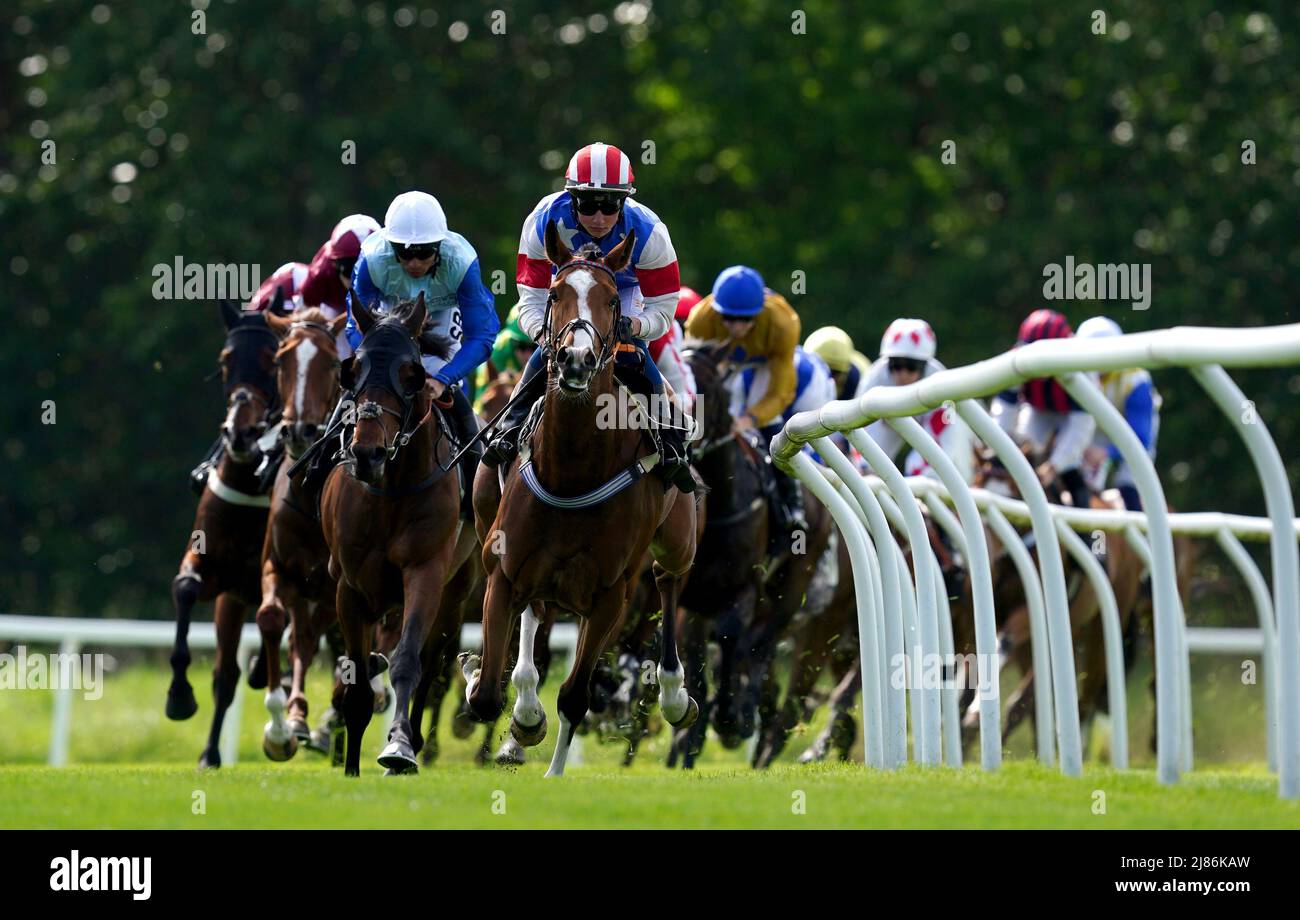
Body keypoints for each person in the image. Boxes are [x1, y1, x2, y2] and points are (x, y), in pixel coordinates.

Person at [483, 142, 695, 493]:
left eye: (610, 205)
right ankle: (509, 425)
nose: (598, 217)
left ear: (625, 201)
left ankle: (673, 441)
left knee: (636, 356)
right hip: (571, 289)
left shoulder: (651, 233)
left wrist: (634, 327)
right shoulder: (542, 221)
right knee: (547, 355)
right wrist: (545, 337)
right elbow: (531, 300)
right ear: (572, 199)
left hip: (623, 293)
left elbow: (664, 309)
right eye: (588, 204)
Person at [684, 265, 810, 530]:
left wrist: (749, 418)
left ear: (759, 313)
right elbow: (693, 374)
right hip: (722, 364)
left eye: (745, 320)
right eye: (728, 318)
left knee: (767, 420)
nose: (736, 327)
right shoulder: (700, 320)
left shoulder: (782, 324)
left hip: (764, 365)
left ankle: (792, 503)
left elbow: (780, 391)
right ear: (718, 311)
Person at [989, 309, 1096, 509]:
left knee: (1069, 467)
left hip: (1071, 417)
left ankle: (1084, 535)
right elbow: (1003, 410)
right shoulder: (1015, 358)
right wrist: (999, 449)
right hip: (1037, 410)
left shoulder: (1082, 369)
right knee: (1023, 455)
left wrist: (1055, 466)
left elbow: (1080, 427)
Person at [853, 318, 973, 483]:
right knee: (868, 466)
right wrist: (865, 468)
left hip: (932, 429)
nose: (902, 374)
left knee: (929, 468)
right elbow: (859, 432)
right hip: (891, 423)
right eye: (895, 365)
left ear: (924, 365)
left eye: (910, 366)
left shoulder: (940, 382)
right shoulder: (873, 378)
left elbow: (947, 438)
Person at [1076, 316, 1161, 510]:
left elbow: (1140, 439)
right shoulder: (1076, 375)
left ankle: (1143, 537)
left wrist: (1107, 452)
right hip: (1093, 431)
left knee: (1128, 483)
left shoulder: (1137, 380)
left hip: (1133, 434)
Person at [298, 213, 381, 356]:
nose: (358, 277)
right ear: (334, 265)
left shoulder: (393, 266)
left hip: (376, 306)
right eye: (349, 269)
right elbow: (302, 316)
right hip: (334, 310)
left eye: (366, 268)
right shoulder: (320, 273)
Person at [804, 325, 871, 402]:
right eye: (824, 370)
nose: (830, 379)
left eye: (835, 372)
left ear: (848, 371)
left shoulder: (863, 382)